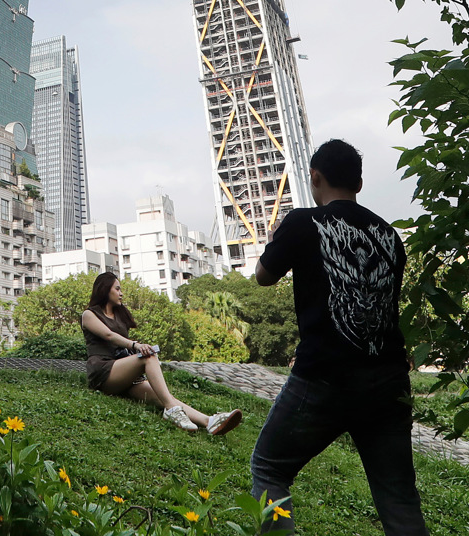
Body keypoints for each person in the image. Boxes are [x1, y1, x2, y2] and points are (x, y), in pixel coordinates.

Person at [249, 139, 429, 534]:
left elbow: (262, 277)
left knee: (269, 467)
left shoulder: (302, 222)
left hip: (324, 375)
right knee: (398, 497)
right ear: (359, 184)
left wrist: (280, 236)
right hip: (388, 379)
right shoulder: (390, 237)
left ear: (315, 177)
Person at [81, 271, 243, 435]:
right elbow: (109, 335)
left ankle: (209, 422)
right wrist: (136, 346)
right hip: (103, 373)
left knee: (163, 396)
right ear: (105, 289)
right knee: (148, 357)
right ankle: (172, 411)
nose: (121, 293)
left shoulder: (119, 315)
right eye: (117, 289)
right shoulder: (89, 315)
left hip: (123, 374)